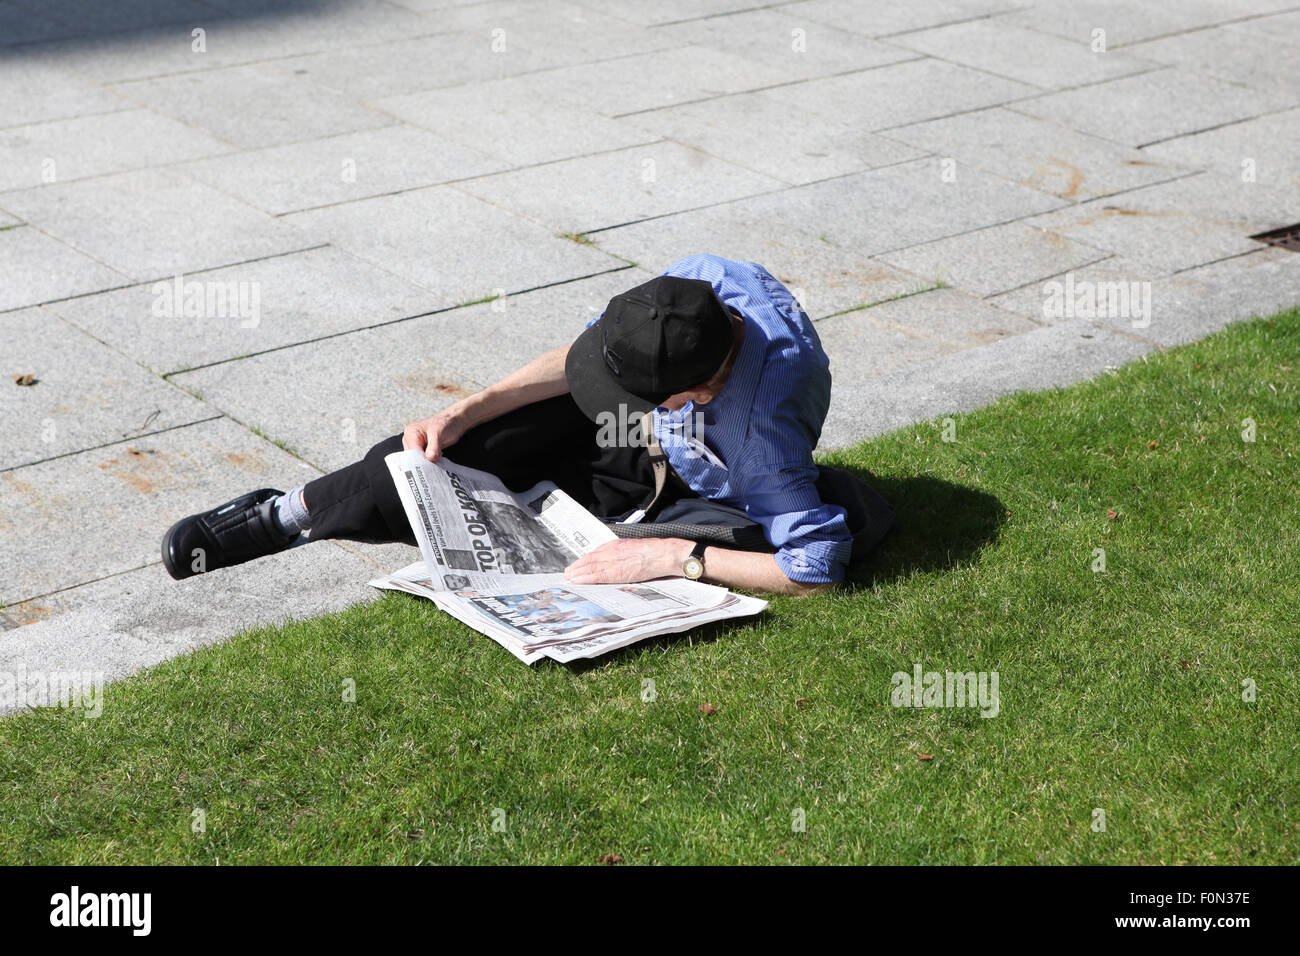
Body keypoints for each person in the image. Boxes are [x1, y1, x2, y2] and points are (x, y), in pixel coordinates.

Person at [161, 254, 872, 596]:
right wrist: (464, 408)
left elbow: (816, 569)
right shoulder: (695, 288)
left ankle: (293, 515)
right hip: (646, 429)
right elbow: (578, 361)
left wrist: (674, 558)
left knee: (495, 511)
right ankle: (283, 514)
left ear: (685, 398)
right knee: (434, 456)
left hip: (676, 475)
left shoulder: (759, 442)